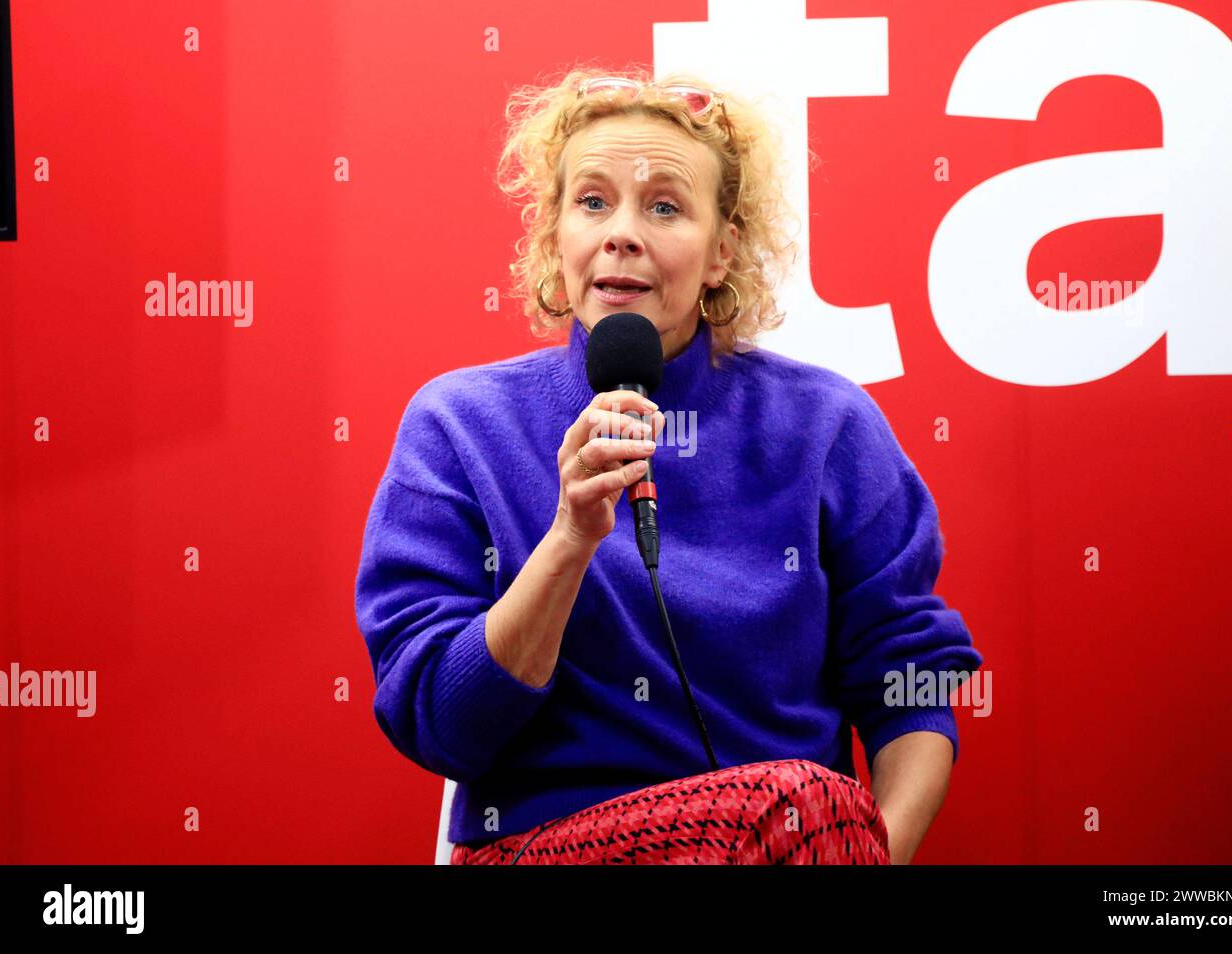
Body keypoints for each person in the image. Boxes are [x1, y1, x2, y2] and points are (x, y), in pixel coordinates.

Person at [353, 66, 983, 865]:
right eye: (591, 202)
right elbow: (438, 724)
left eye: (663, 206)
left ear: (722, 252)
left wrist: (862, 852)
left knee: (801, 805)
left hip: (793, 840)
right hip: (549, 848)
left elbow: (910, 679)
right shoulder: (460, 424)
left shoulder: (826, 425)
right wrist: (569, 539)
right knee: (799, 802)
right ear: (555, 238)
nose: (621, 231)